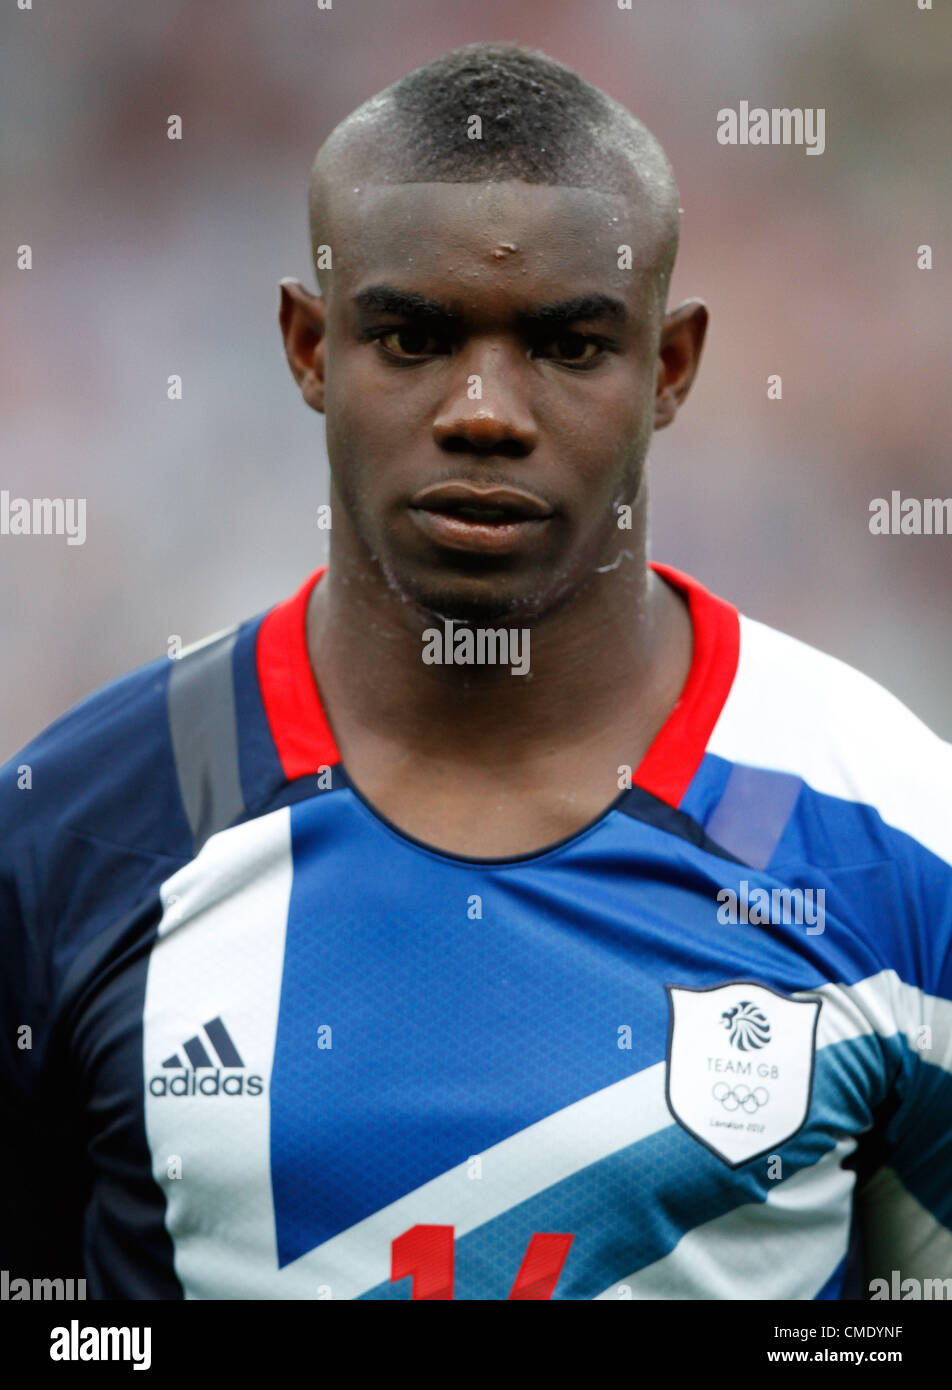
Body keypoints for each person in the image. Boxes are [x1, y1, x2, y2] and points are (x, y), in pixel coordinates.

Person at [2, 42, 950, 1302]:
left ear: (668, 369)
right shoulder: (77, 834)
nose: (485, 409)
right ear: (306, 345)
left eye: (567, 345)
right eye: (410, 336)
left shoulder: (891, 836)